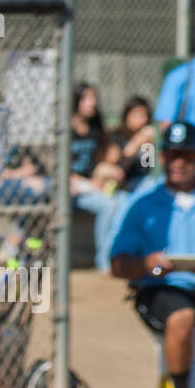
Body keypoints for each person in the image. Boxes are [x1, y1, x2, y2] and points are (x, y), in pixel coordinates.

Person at [108, 121, 195, 388]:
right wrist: (147, 264)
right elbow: (117, 264)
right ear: (162, 158)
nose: (179, 163)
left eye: (187, 156)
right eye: (173, 155)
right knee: (183, 315)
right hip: (161, 288)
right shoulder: (144, 205)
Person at [70, 82, 122, 273]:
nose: (92, 103)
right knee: (108, 204)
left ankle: (113, 258)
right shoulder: (65, 130)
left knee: (121, 200)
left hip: (93, 187)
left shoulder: (95, 130)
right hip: (72, 188)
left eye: (94, 98)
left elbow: (108, 157)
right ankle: (104, 261)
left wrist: (106, 171)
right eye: (87, 98)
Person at [154, 28, 195, 134]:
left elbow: (165, 123)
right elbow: (165, 122)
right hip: (190, 144)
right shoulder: (181, 75)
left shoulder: (180, 74)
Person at [112, 95, 157, 194]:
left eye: (145, 115)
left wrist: (148, 147)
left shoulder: (145, 137)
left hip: (141, 182)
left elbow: (146, 168)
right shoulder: (115, 137)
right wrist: (136, 143)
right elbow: (119, 169)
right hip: (120, 186)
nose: (142, 120)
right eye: (137, 115)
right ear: (127, 115)